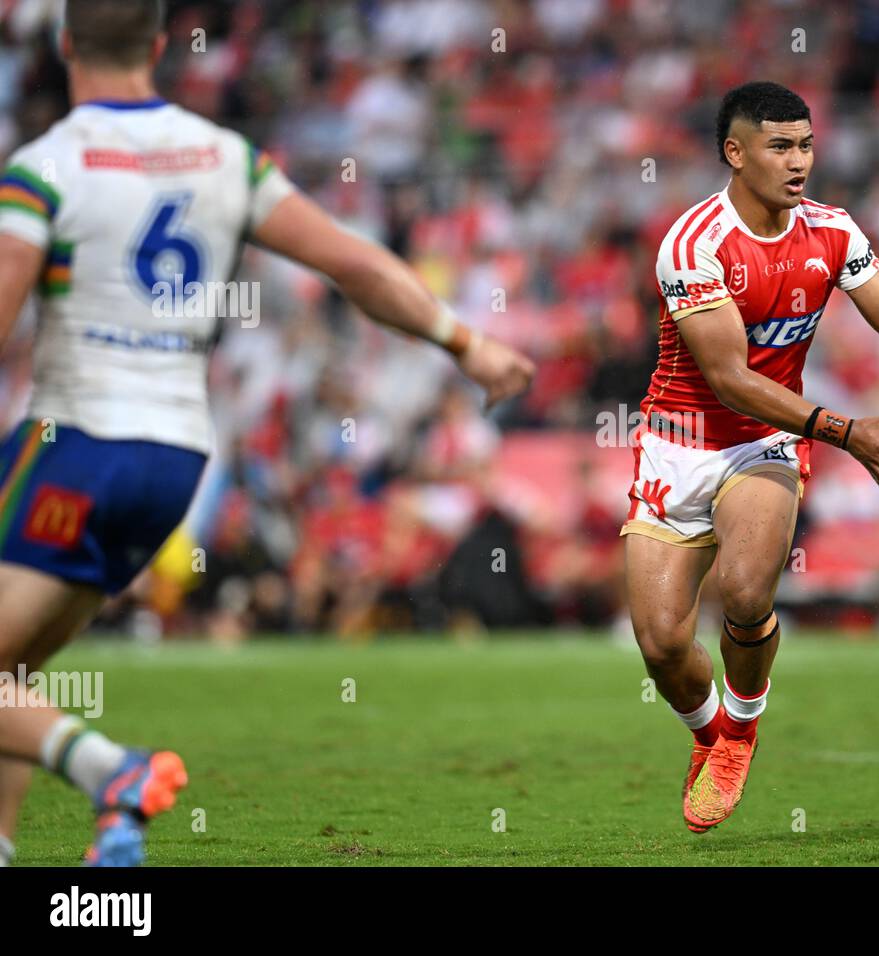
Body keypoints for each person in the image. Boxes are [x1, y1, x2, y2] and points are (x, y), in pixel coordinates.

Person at [0, 0, 533, 866]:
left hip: (75, 441)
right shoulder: (225, 157)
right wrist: (466, 341)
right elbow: (354, 261)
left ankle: (109, 772)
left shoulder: (45, 165)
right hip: (176, 460)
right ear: (161, 45)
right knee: (11, 667)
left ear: (63, 45)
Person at [620, 81, 879, 833]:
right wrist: (849, 432)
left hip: (767, 443)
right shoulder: (693, 245)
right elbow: (730, 378)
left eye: (806, 144)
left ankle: (740, 737)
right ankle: (707, 733)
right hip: (678, 443)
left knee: (747, 593)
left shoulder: (834, 231)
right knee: (659, 643)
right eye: (780, 146)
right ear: (735, 152)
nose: (799, 160)